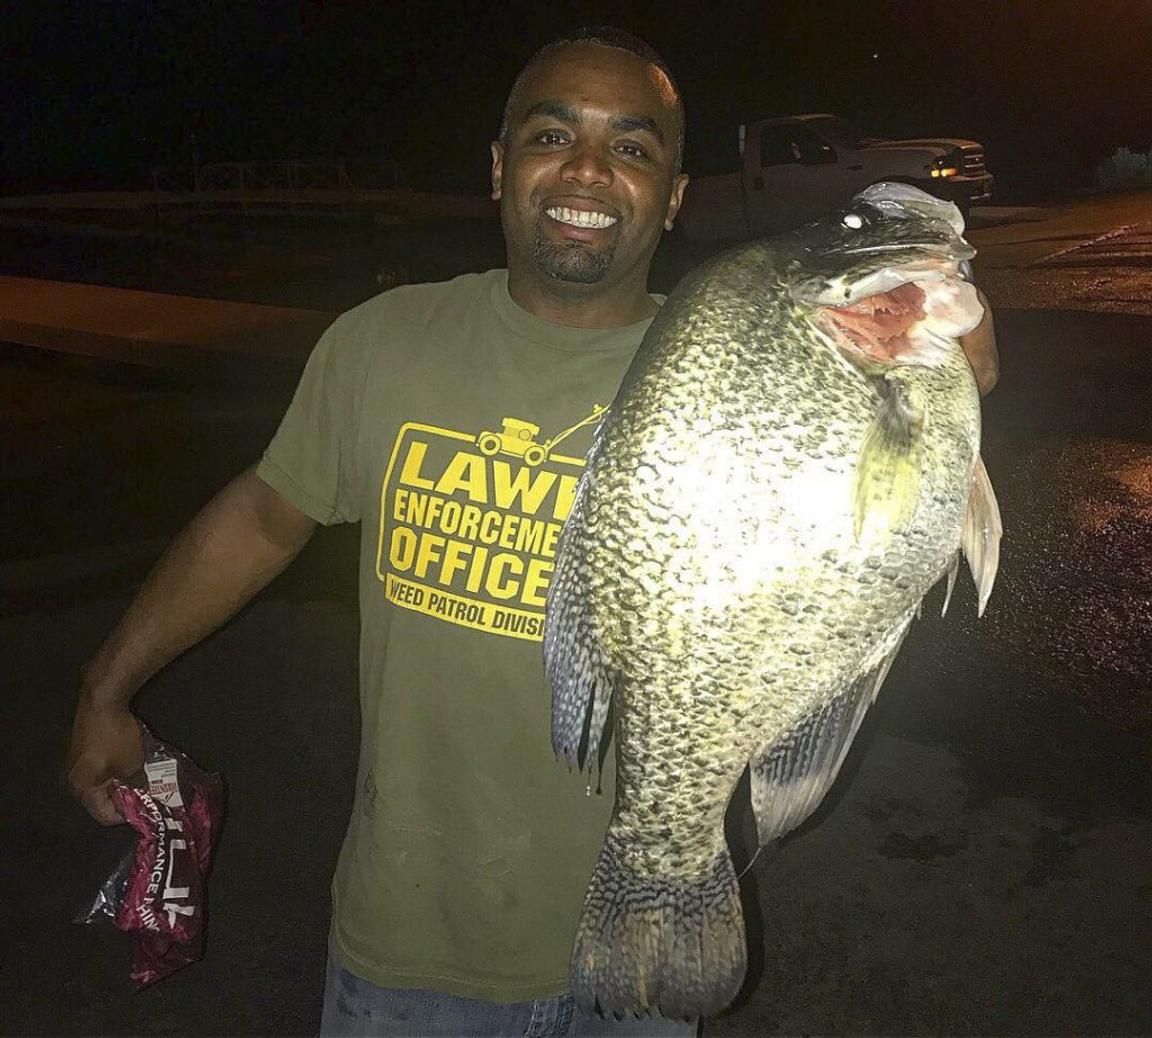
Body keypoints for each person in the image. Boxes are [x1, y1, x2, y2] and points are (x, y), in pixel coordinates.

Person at [63, 27, 999, 1038]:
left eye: (632, 147)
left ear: (674, 196)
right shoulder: (386, 342)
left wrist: (949, 380)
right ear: (500, 167)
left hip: (642, 956)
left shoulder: (746, 356)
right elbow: (262, 513)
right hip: (412, 946)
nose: (589, 169)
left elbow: (885, 517)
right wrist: (106, 688)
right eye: (554, 136)